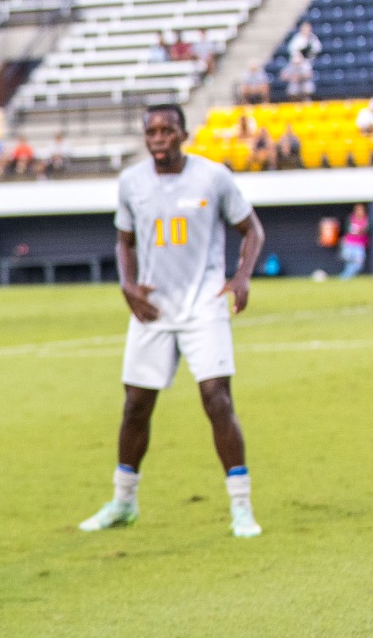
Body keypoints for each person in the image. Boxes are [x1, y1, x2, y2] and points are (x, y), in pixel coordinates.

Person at [79, 104, 266, 540]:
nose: (159, 137)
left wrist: (241, 277)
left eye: (167, 130)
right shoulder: (131, 182)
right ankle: (123, 502)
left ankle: (241, 507)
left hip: (204, 303)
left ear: (183, 133)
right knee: (135, 405)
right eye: (151, 131)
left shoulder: (213, 177)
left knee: (216, 398)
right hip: (153, 307)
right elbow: (124, 242)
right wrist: (127, 285)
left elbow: (252, 230)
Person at [339, 207, 369, 280]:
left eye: (361, 210)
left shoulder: (366, 220)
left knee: (358, 265)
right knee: (347, 258)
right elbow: (346, 230)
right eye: (358, 210)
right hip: (349, 244)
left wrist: (361, 231)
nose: (360, 212)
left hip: (359, 245)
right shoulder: (350, 219)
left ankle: (344, 277)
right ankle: (345, 277)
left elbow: (367, 230)